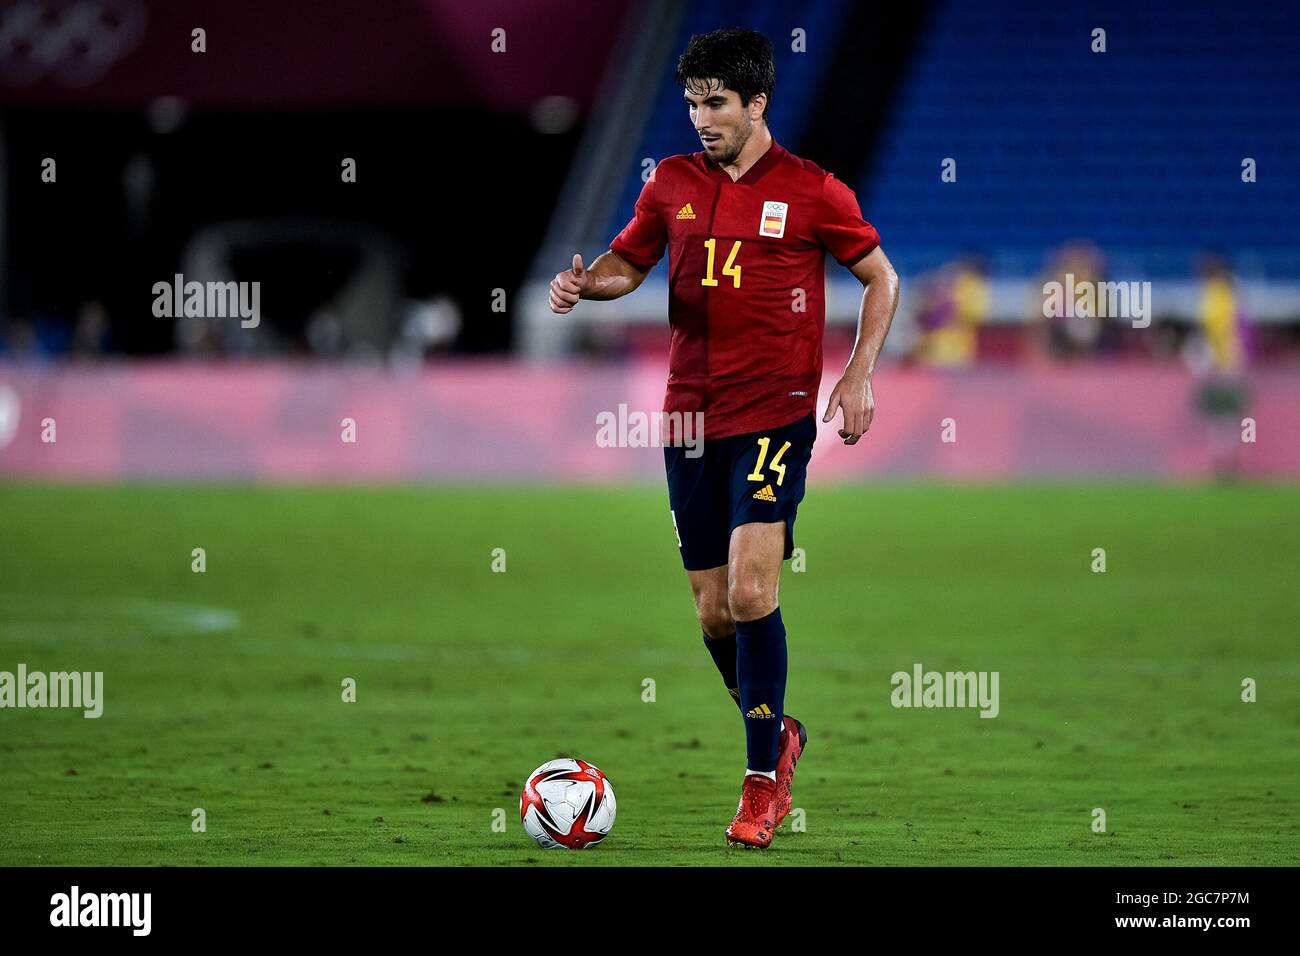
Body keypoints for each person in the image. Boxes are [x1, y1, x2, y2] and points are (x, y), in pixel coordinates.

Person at [549, 27, 898, 848]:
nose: (701, 119)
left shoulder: (813, 191)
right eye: (692, 103)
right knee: (712, 614)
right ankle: (778, 735)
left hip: (774, 412)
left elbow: (880, 277)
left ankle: (758, 786)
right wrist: (584, 281)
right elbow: (627, 266)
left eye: (716, 104)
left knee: (750, 593)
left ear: (757, 104)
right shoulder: (669, 182)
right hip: (688, 417)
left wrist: (857, 374)